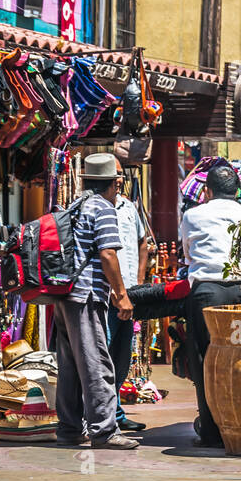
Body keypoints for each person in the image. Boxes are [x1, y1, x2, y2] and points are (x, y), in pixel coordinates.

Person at [54, 152, 137, 450]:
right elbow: (108, 254)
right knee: (96, 361)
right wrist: (121, 295)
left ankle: (69, 428)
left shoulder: (76, 206)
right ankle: (104, 431)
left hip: (65, 294)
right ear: (114, 185)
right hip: (87, 294)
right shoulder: (103, 208)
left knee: (70, 365)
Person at [179, 163, 241, 448]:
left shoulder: (192, 215)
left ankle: (211, 430)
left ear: (207, 191)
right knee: (240, 357)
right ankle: (240, 423)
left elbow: (187, 255)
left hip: (207, 293)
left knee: (205, 360)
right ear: (237, 190)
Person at [107, 159, 150, 432]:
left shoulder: (129, 208)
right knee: (104, 355)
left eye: (121, 174)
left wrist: (138, 283)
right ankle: (104, 414)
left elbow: (142, 242)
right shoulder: (92, 208)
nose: (120, 179)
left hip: (129, 294)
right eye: (115, 175)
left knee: (122, 357)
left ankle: (116, 412)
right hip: (106, 296)